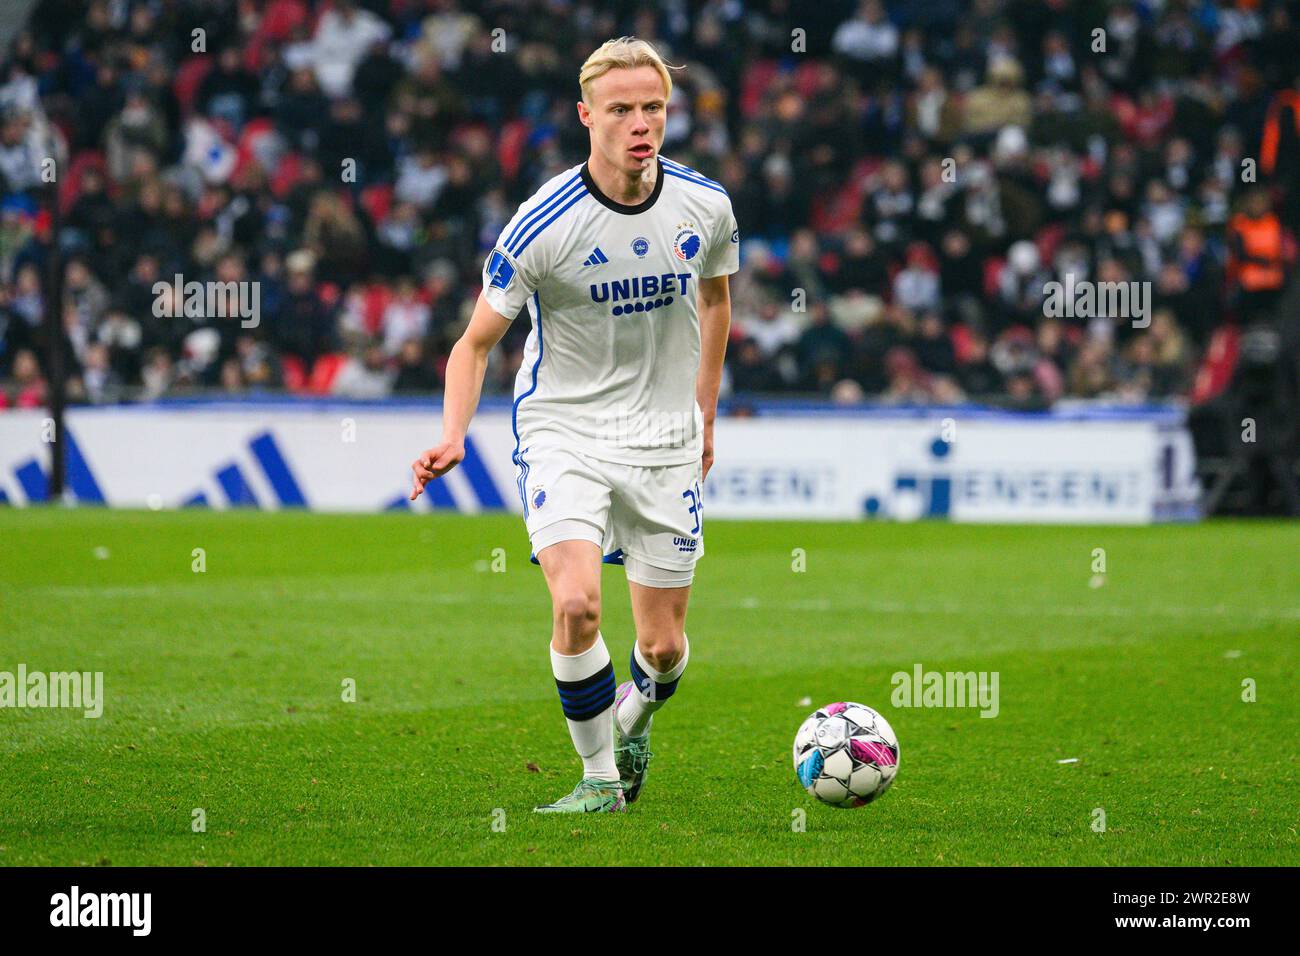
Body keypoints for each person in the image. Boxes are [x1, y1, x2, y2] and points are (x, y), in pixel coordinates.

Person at [408, 37, 738, 813]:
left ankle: (634, 717)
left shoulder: (706, 205)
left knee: (661, 650)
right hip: (567, 430)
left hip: (664, 437)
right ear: (587, 115)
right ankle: (597, 782)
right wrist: (454, 432)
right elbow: (473, 343)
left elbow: (718, 303)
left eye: (652, 107)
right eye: (621, 109)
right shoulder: (543, 223)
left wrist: (706, 414)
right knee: (578, 604)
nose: (640, 123)